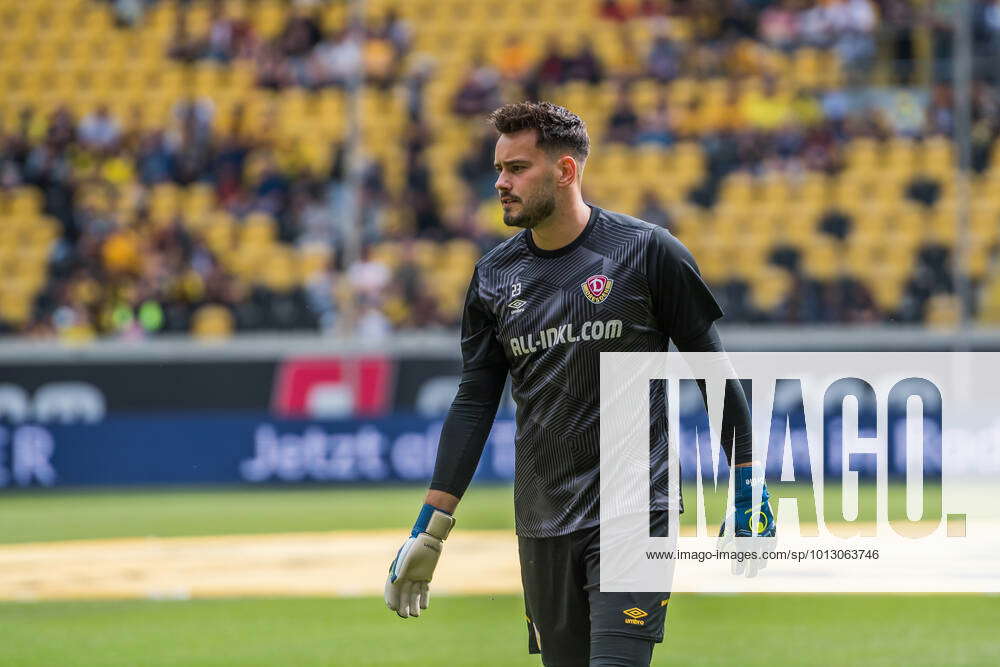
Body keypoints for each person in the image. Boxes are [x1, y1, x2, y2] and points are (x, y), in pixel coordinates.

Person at [384, 102, 774, 666]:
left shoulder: (647, 252)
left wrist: (745, 480)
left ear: (565, 171)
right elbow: (474, 402)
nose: (500, 183)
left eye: (517, 169)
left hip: (636, 508)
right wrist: (432, 526)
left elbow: (712, 372)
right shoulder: (493, 277)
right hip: (543, 516)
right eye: (499, 169)